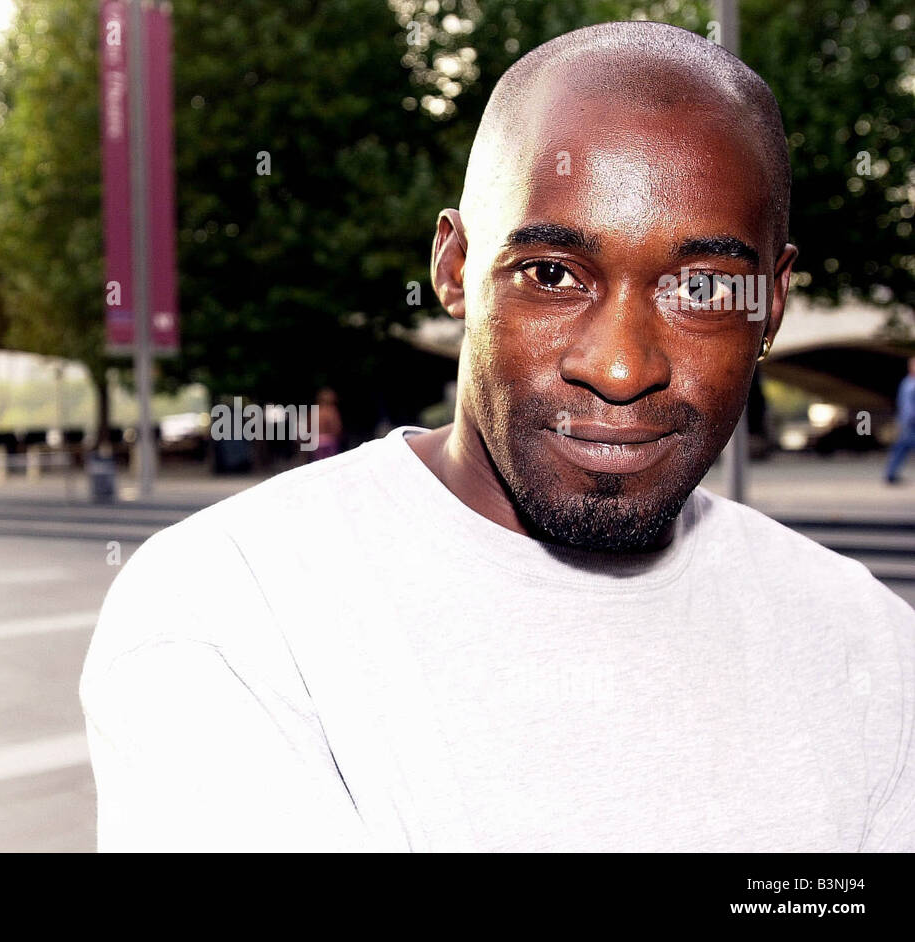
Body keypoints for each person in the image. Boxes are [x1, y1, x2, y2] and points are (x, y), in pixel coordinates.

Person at [79, 22, 915, 852]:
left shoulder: (873, 646)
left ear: (771, 303)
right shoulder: (231, 612)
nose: (621, 368)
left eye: (703, 286)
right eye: (551, 274)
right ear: (454, 268)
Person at [884, 357, 915, 483]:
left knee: (900, 448)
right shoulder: (909, 384)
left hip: (908, 421)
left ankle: (891, 473)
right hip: (910, 421)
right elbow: (906, 405)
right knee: (901, 447)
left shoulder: (908, 383)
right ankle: (891, 473)